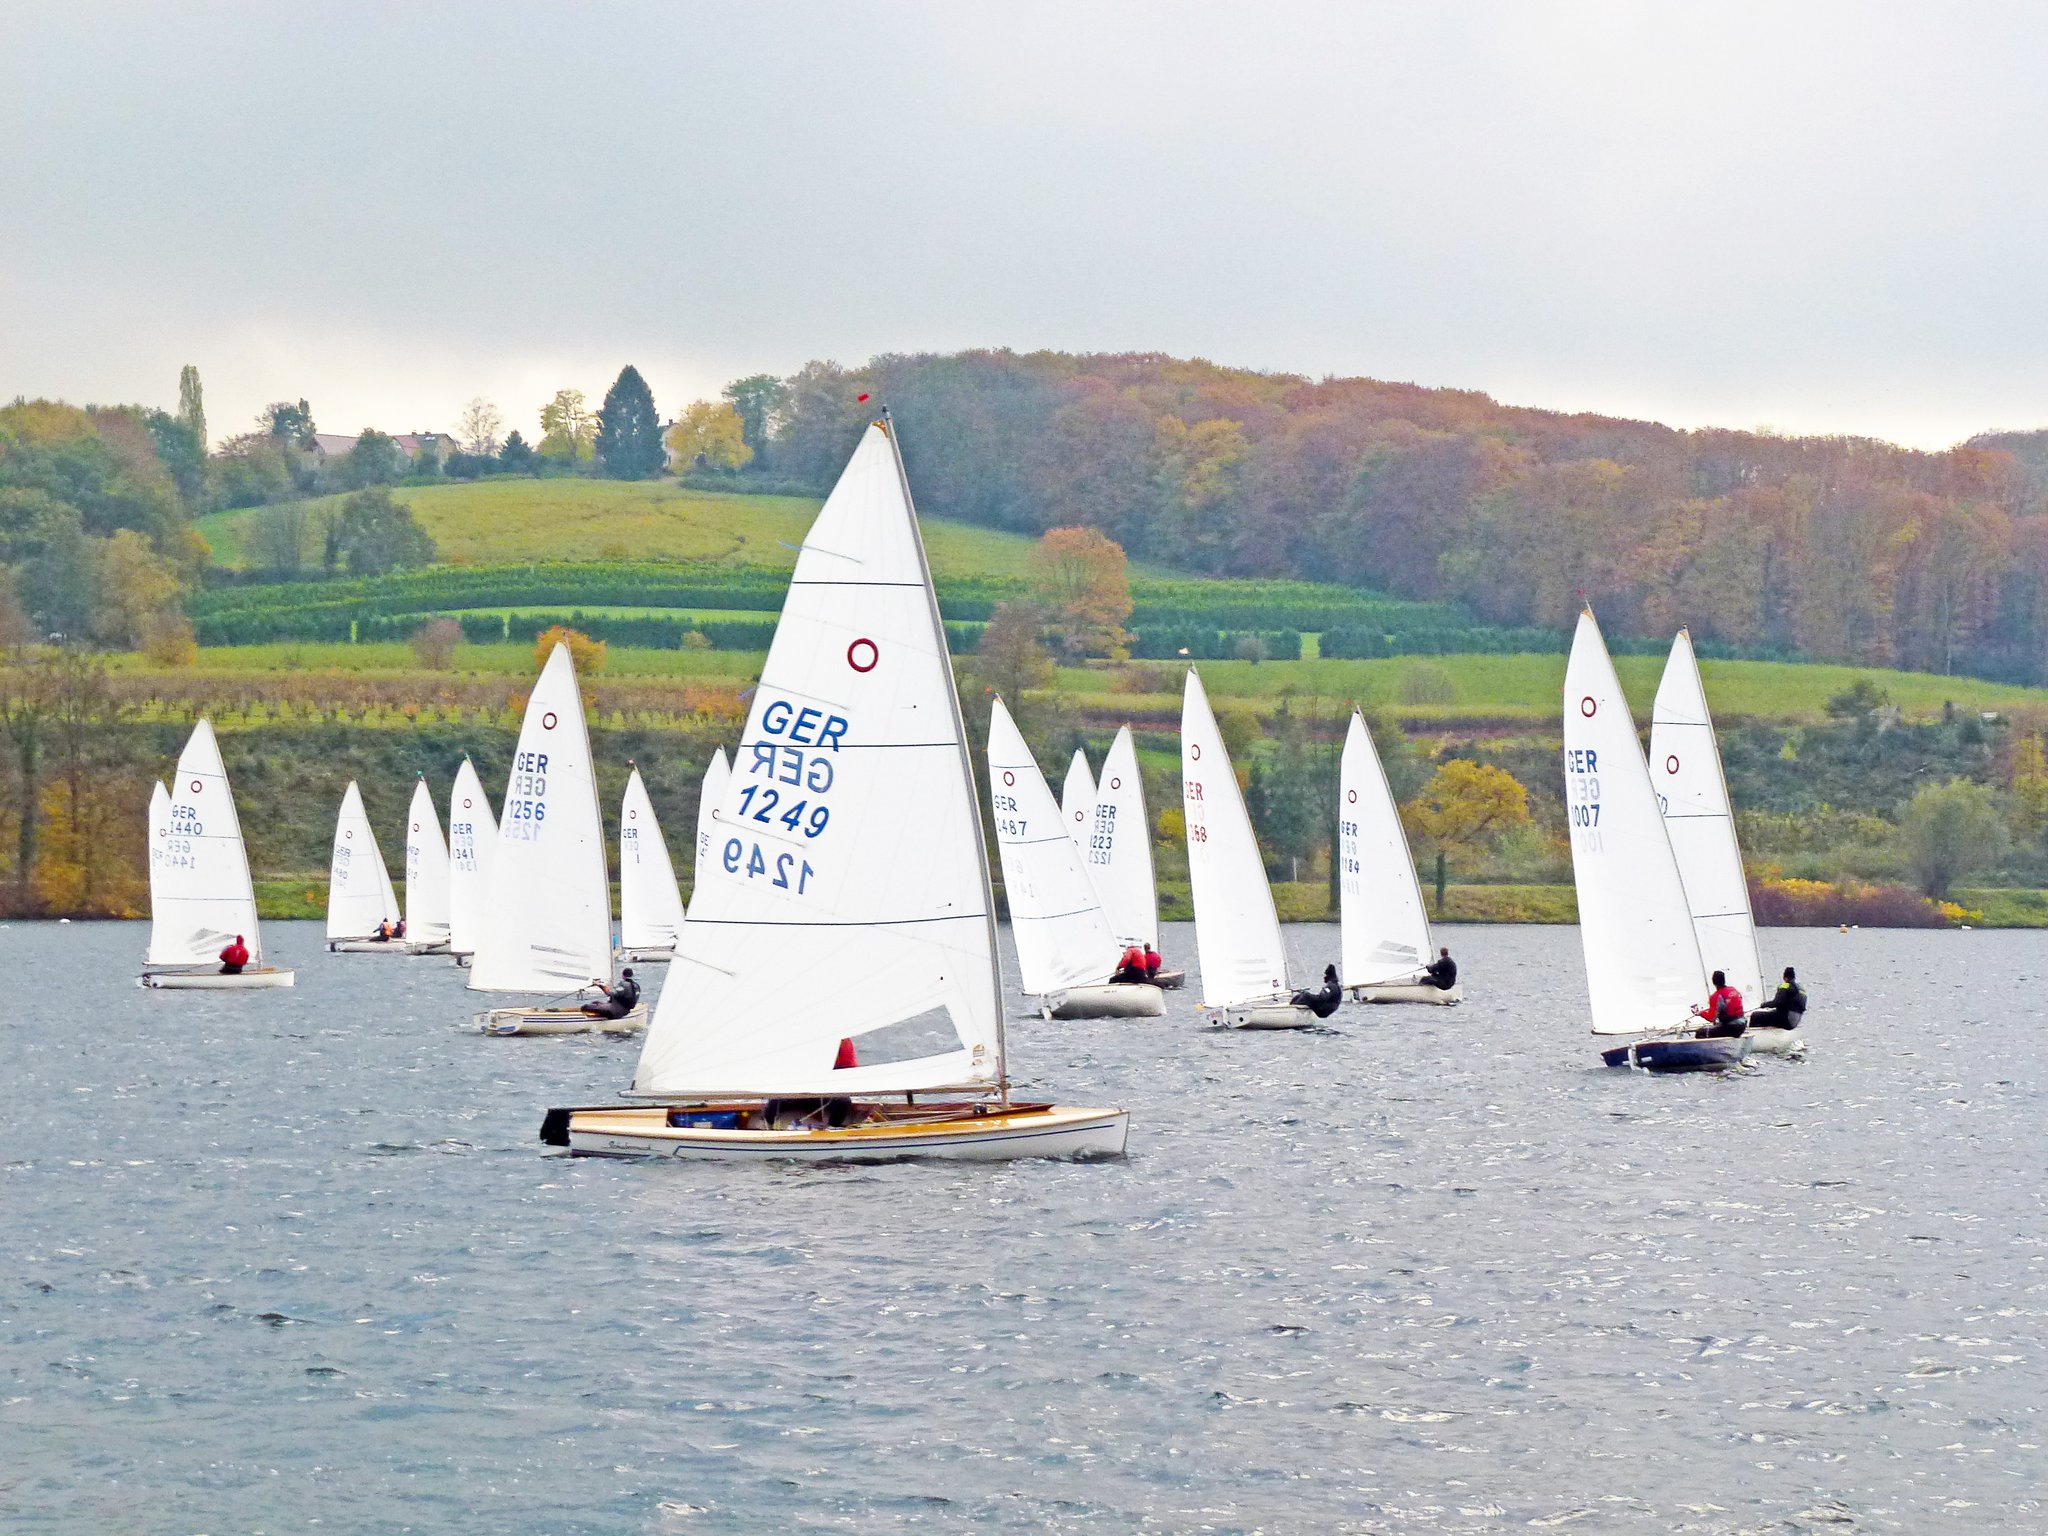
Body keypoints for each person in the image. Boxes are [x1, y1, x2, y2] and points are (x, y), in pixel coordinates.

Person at [1692, 969, 1746, 1037]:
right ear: (1724, 980)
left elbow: (1711, 1018)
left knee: (1700, 1032)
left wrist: (1701, 1013)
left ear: (1713, 982)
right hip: (1742, 1025)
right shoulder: (1733, 989)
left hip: (1731, 1028)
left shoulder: (1716, 996)